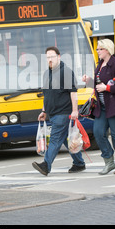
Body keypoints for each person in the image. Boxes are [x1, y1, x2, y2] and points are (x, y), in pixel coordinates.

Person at [32, 46, 86, 176]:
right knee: (64, 140)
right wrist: (44, 111)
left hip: (64, 112)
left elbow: (73, 93)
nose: (50, 59)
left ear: (59, 57)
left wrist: (74, 111)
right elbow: (47, 95)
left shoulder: (66, 72)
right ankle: (79, 163)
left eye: (52, 56)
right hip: (53, 113)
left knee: (55, 139)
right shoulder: (47, 73)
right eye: (48, 57)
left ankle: (46, 165)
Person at [82, 39, 115, 175]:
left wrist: (107, 88)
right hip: (102, 107)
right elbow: (98, 86)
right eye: (97, 49)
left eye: (100, 49)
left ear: (107, 50)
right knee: (98, 133)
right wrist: (89, 81)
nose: (97, 51)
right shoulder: (99, 66)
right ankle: (109, 162)